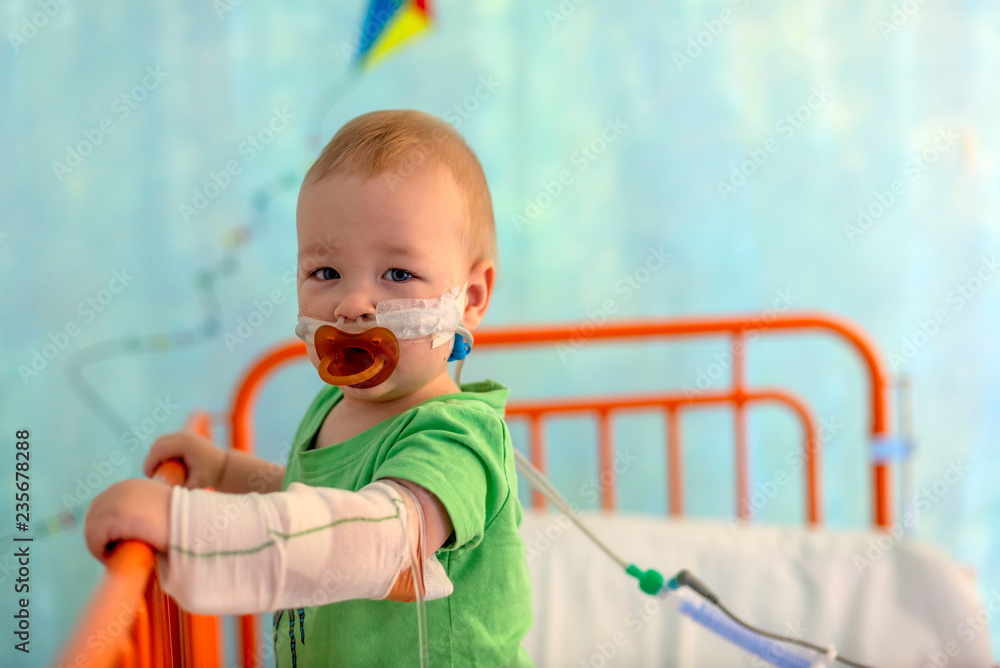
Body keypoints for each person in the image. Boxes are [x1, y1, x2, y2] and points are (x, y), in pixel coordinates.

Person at [83, 109, 535, 666]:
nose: (351, 305)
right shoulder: (333, 405)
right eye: (326, 274)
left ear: (470, 298)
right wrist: (226, 473)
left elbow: (377, 542)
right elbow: (327, 503)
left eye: (397, 274)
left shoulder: (457, 437)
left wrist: (186, 528)